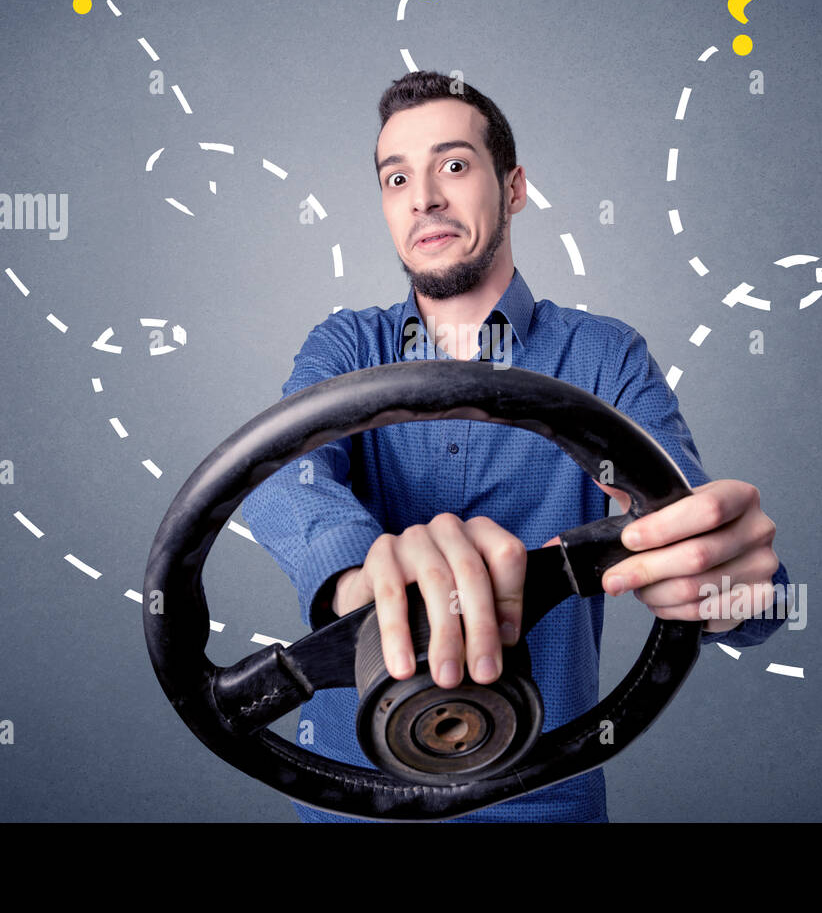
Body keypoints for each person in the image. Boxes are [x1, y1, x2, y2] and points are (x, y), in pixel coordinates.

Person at [240, 71, 790, 822]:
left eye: (454, 165)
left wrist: (727, 577)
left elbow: (724, 566)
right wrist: (364, 576)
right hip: (349, 804)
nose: (424, 197)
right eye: (396, 177)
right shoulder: (343, 345)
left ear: (515, 185)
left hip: (544, 800)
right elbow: (284, 472)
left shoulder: (607, 358)